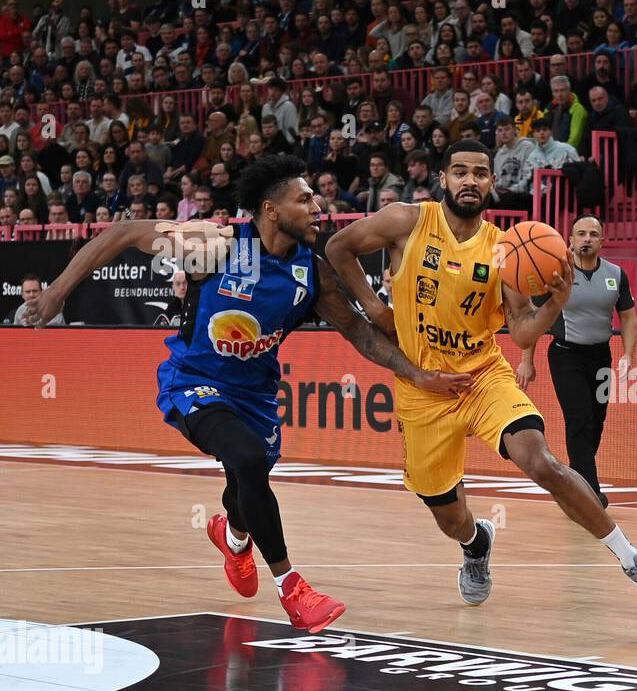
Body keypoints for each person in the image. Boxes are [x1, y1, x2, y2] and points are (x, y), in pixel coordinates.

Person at [23, 154, 451, 633]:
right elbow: (121, 233)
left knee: (244, 483)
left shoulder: (312, 273)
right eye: (304, 199)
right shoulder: (217, 246)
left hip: (257, 395)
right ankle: (293, 589)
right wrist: (58, 293)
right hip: (194, 381)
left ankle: (234, 538)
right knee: (246, 459)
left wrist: (417, 374)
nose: (318, 207)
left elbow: (359, 332)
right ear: (271, 209)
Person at [323, 140, 637, 605]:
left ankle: (634, 558)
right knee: (449, 518)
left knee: (542, 461)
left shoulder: (505, 249)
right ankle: (475, 544)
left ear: (492, 183)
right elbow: (338, 246)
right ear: (442, 179)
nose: (470, 181)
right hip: (423, 389)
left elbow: (520, 333)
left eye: (480, 173)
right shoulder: (407, 220)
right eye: (459, 172)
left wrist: (555, 304)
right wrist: (377, 307)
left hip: (483, 376)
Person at [515, 215, 637, 508]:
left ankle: (576, 482)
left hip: (601, 356)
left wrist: (628, 355)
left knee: (596, 422)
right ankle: (589, 494)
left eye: (593, 234)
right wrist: (526, 361)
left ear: (602, 240)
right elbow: (532, 318)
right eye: (581, 233)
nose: (587, 239)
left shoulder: (616, 274)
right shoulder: (554, 273)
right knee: (579, 419)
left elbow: (628, 316)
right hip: (566, 354)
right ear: (570, 240)